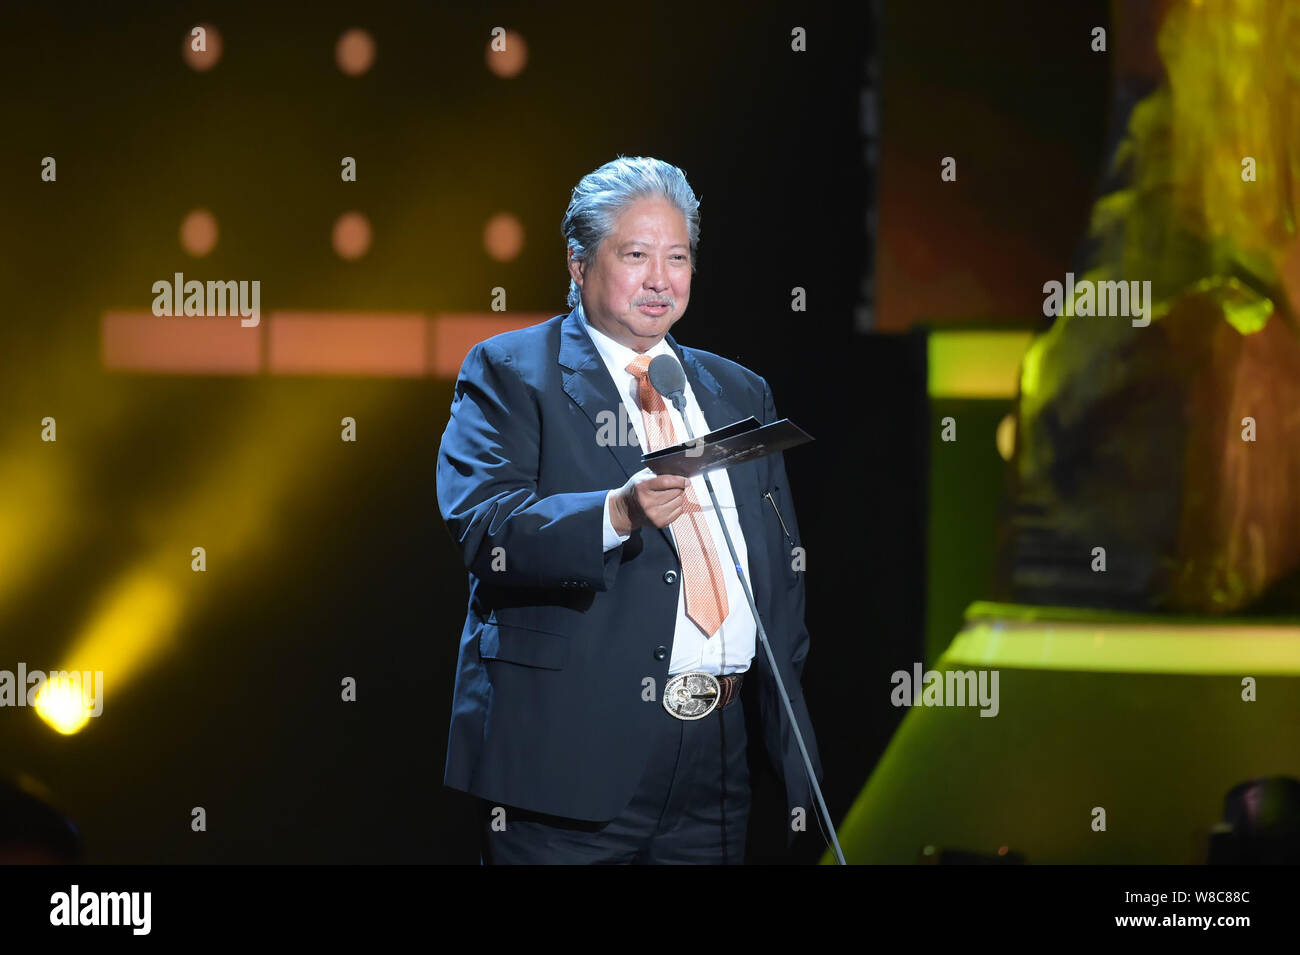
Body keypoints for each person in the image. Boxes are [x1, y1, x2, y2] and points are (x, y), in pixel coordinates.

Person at [437, 155, 822, 864]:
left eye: (677, 257)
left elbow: (779, 574)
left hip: (719, 763)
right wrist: (615, 514)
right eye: (636, 254)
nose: (660, 279)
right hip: (571, 757)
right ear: (579, 264)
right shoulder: (511, 371)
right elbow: (486, 528)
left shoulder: (738, 390)